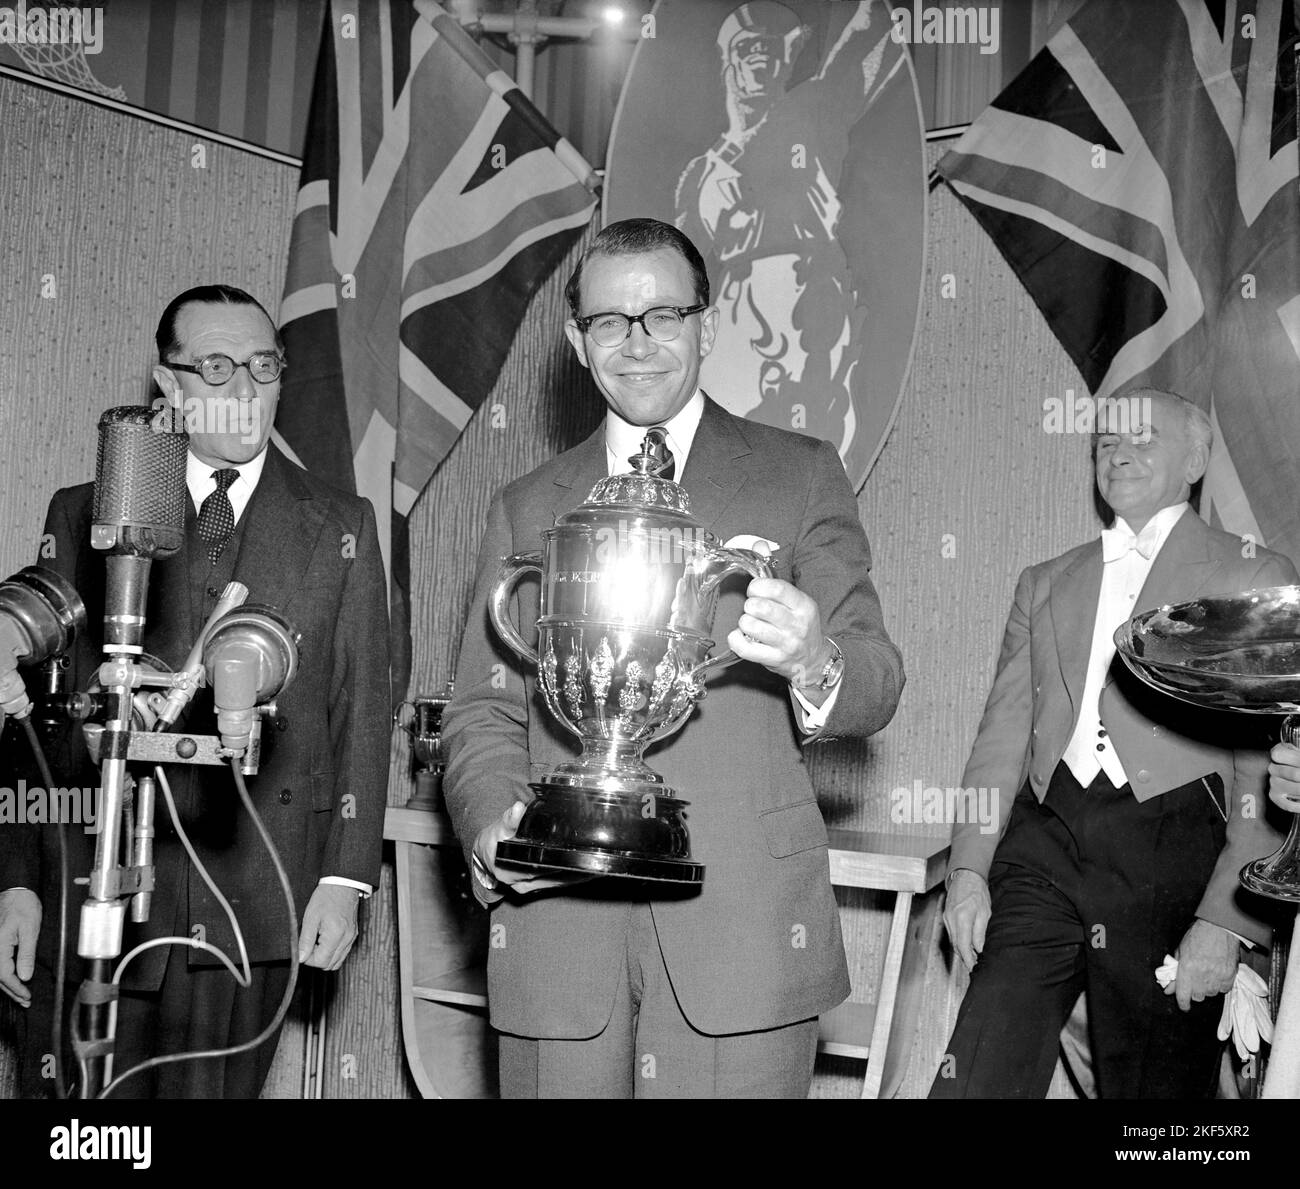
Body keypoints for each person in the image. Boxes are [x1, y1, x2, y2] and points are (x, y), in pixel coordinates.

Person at [442, 218, 903, 1098]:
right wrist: (491, 822)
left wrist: (815, 658)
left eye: (664, 315)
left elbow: (876, 678)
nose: (638, 342)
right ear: (578, 342)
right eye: (610, 321)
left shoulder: (801, 473)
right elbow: (483, 710)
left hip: (745, 934)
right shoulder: (526, 504)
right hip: (556, 928)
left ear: (707, 323)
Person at [0, 285, 390, 1098]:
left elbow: (362, 706)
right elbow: (35, 719)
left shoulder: (343, 524)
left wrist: (344, 879)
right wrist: (18, 878)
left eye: (263, 365)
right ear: (167, 387)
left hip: (252, 892)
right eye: (216, 367)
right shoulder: (85, 515)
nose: (245, 388)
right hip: (89, 891)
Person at [930, 389, 1297, 1099]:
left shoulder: (1252, 574)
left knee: (1156, 1103)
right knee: (978, 1069)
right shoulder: (1045, 582)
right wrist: (969, 868)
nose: (1117, 452)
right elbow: (1001, 738)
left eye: (1141, 438)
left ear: (1195, 458)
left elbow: (1265, 775)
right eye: (1103, 442)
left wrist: (1225, 918)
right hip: (1044, 843)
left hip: (1171, 854)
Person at [674, 1, 903, 451]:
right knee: (724, 457)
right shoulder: (700, 174)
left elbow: (866, 44)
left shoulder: (811, 113)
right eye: (750, 46)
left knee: (809, 448)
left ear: (788, 57)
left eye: (772, 47)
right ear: (729, 62)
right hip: (734, 324)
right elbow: (678, 283)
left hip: (805, 304)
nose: (761, 56)